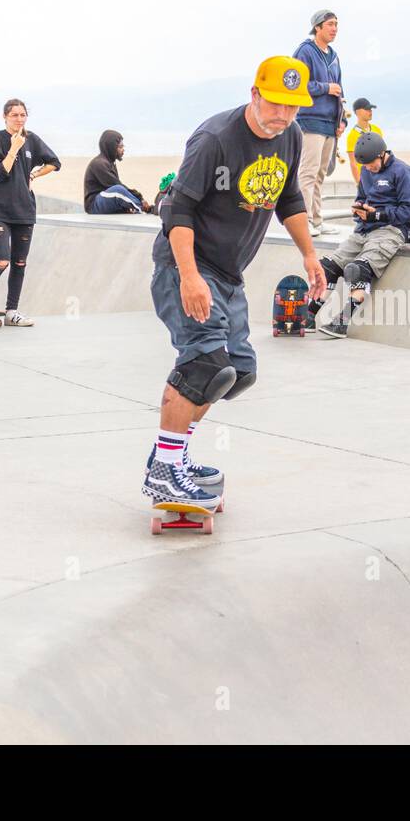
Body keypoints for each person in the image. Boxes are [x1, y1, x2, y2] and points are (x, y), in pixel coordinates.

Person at [143, 56, 326, 512]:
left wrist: (308, 254)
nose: (282, 116)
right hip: (185, 265)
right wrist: (188, 277)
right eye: (275, 104)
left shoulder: (292, 136)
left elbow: (289, 197)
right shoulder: (215, 139)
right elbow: (177, 210)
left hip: (227, 274)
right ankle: (163, 473)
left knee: (236, 372)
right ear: (255, 93)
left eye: (292, 107)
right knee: (204, 364)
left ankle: (172, 456)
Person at [306, 132, 410, 339]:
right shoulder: (366, 172)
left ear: (382, 154)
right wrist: (359, 209)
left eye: (371, 164)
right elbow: (362, 197)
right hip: (364, 229)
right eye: (364, 166)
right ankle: (309, 315)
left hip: (390, 231)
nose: (368, 169)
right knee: (328, 266)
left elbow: (408, 212)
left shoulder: (402, 172)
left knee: (357, 270)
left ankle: (342, 322)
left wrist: (378, 214)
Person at [0, 99, 60, 326]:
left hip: (24, 210)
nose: (19, 119)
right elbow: (0, 173)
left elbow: (54, 162)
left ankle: (12, 311)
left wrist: (34, 175)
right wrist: (14, 147)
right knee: (1, 260)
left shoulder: (32, 139)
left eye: (22, 115)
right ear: (5, 117)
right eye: (14, 115)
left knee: (19, 263)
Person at [293, 9, 343, 237]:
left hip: (329, 123)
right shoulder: (305, 51)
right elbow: (296, 84)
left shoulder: (334, 56)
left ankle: (317, 220)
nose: (334, 29)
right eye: (330, 24)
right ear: (318, 27)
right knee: (308, 173)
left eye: (336, 25)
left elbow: (340, 89)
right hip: (310, 120)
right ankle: (305, 222)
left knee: (321, 174)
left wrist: (341, 119)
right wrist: (325, 88)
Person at [84, 130, 151, 214]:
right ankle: (142, 209)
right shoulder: (99, 164)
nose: (123, 150)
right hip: (94, 205)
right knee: (118, 190)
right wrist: (139, 198)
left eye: (123, 147)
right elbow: (116, 185)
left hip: (106, 199)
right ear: (111, 147)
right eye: (120, 147)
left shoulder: (109, 162)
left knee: (119, 190)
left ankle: (135, 208)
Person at [345, 98, 384, 184]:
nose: (370, 111)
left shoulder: (377, 130)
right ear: (357, 112)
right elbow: (353, 163)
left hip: (379, 176)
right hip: (365, 178)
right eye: (367, 109)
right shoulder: (352, 135)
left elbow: (383, 155)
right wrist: (359, 184)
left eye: (371, 109)